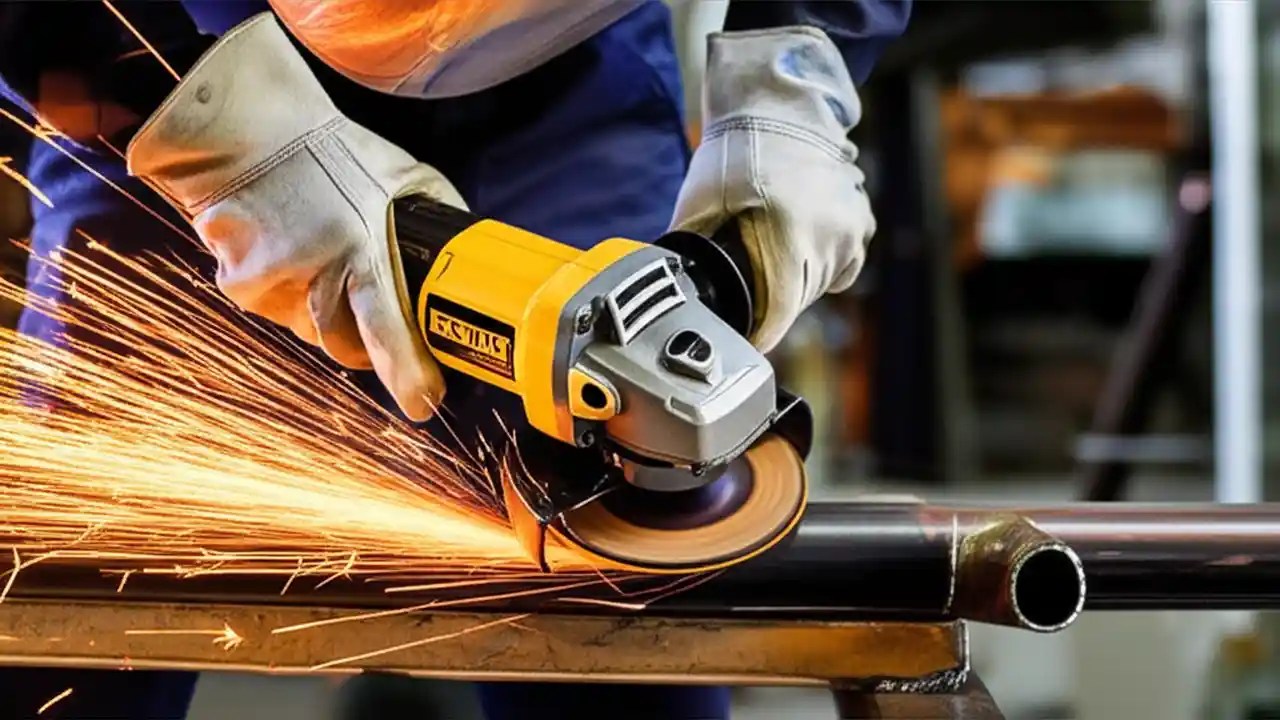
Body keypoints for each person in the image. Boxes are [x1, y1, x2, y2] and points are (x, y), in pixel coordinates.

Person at [0, 1, 911, 718]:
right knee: (80, 585)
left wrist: (798, 68)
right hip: (175, 44)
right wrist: (207, 128)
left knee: (622, 610)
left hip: (562, 75)